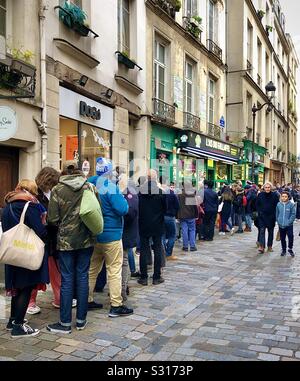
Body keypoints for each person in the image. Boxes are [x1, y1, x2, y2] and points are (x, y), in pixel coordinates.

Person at [46, 160, 96, 333]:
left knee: (67, 279)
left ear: (63, 171)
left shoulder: (57, 190)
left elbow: (52, 219)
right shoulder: (88, 187)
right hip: (86, 240)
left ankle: (65, 323)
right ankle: (81, 320)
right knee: (82, 277)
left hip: (66, 241)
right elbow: (96, 211)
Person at [87, 158, 133, 318]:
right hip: (111, 235)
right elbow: (123, 209)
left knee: (92, 269)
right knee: (114, 269)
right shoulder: (110, 187)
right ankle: (116, 304)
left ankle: (87, 299)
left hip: (94, 233)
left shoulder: (89, 184)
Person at [2, 180, 48, 337]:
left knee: (16, 288)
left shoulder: (8, 205)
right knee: (26, 287)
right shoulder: (30, 206)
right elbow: (41, 231)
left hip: (12, 252)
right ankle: (18, 326)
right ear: (32, 191)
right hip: (26, 252)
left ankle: (12, 320)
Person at [27, 167, 63, 315]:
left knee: (56, 271)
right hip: (37, 239)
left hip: (52, 239)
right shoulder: (34, 194)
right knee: (34, 270)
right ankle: (30, 302)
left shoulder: (54, 192)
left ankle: (59, 299)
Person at [138, 169, 166, 286]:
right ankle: (156, 277)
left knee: (144, 250)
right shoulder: (161, 192)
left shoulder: (140, 192)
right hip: (157, 224)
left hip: (143, 224)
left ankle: (144, 277)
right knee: (158, 249)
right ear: (155, 179)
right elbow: (165, 209)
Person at [119, 175, 139, 301]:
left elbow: (131, 213)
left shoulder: (131, 195)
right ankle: (119, 288)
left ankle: (122, 288)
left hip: (125, 234)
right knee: (118, 264)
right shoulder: (116, 194)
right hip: (118, 234)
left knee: (123, 261)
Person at [256, 182, 279, 254]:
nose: (267, 189)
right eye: (266, 187)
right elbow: (257, 204)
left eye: (269, 187)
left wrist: (275, 215)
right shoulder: (260, 195)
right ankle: (262, 246)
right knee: (262, 231)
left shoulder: (275, 195)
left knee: (270, 232)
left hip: (271, 217)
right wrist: (259, 212)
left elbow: (277, 206)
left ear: (271, 188)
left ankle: (270, 246)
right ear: (264, 188)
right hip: (262, 216)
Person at [161, 180, 180, 260]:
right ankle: (168, 253)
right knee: (172, 235)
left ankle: (163, 252)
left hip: (162, 217)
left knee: (163, 235)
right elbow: (177, 206)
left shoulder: (160, 193)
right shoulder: (172, 194)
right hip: (170, 216)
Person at [177, 181, 198, 251]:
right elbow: (195, 206)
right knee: (192, 230)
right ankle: (192, 246)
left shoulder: (179, 195)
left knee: (184, 230)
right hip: (191, 215)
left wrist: (177, 215)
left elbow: (177, 206)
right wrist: (196, 215)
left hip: (182, 215)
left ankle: (185, 246)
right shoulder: (192, 195)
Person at [276, 191, 296, 257]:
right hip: (281, 225)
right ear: (281, 197)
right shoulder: (278, 204)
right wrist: (278, 221)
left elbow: (293, 214)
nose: (284, 198)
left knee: (290, 237)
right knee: (282, 238)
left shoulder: (291, 205)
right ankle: (283, 249)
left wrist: (289, 222)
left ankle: (290, 248)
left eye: (285, 196)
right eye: (283, 196)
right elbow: (277, 213)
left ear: (288, 197)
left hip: (289, 225)